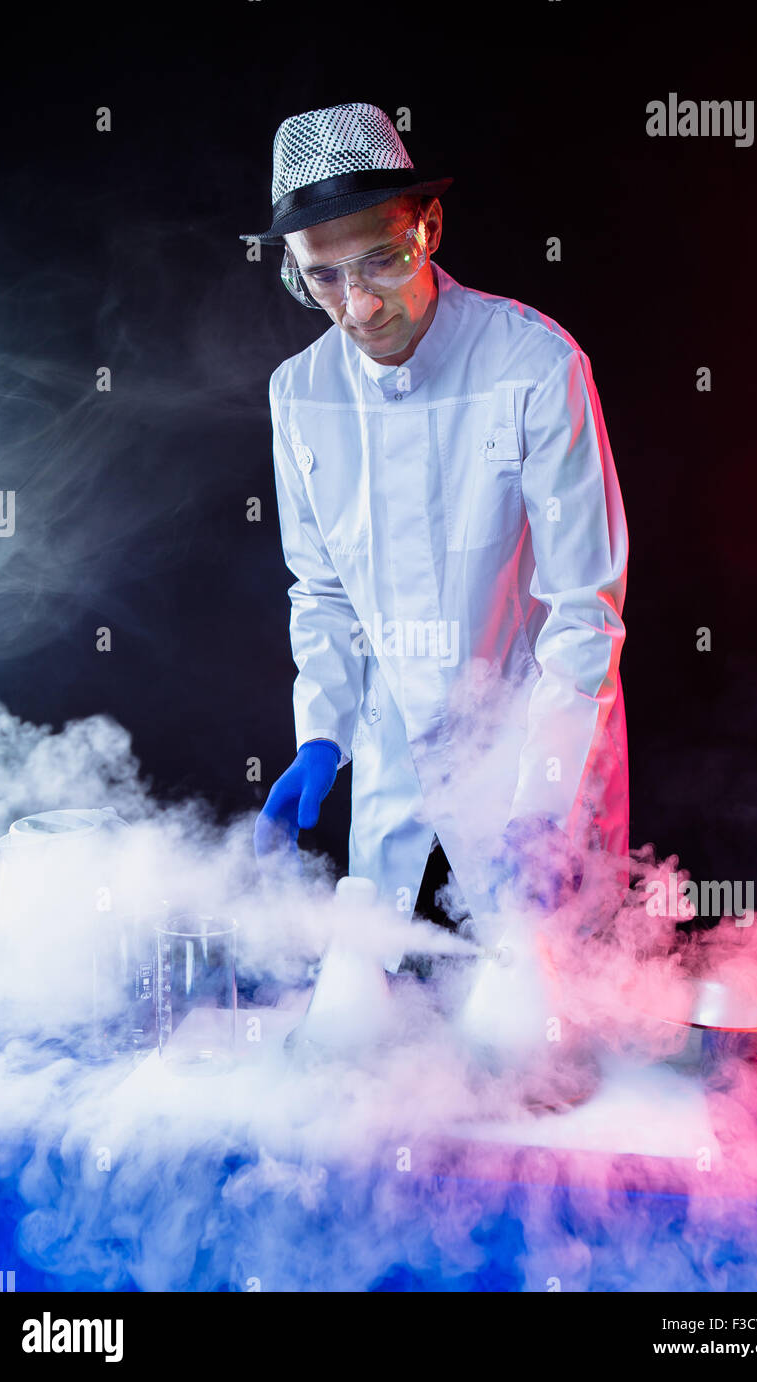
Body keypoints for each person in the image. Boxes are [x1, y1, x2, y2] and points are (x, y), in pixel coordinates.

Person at [245, 102, 629, 973]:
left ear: (430, 225)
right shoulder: (298, 393)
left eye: (383, 257)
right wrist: (323, 733)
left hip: (537, 762)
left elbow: (583, 611)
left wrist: (543, 804)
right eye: (325, 277)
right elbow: (324, 592)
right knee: (388, 1040)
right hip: (394, 770)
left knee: (556, 1044)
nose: (360, 303)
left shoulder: (535, 365)